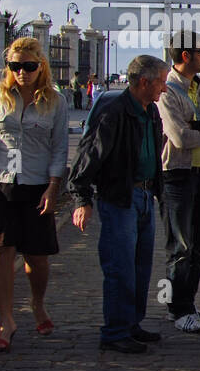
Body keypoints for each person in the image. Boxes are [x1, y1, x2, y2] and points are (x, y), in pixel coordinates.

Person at [0, 38, 69, 352]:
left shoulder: (56, 100)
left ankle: (37, 303)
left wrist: (53, 188)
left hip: (37, 185)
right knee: (1, 255)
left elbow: (59, 148)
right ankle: (6, 321)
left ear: (41, 66)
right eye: (15, 66)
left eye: (29, 66)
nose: (22, 72)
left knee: (36, 258)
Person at [69, 54, 169, 354]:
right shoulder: (114, 112)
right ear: (143, 82)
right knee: (120, 267)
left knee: (140, 266)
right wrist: (82, 199)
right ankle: (115, 331)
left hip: (143, 196)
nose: (163, 89)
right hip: (119, 199)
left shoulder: (149, 111)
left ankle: (131, 323)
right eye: (160, 83)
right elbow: (88, 157)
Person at [158, 31, 200, 333]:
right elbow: (179, 137)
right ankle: (178, 309)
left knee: (199, 245)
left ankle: (190, 304)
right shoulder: (167, 91)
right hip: (177, 176)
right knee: (180, 247)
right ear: (186, 56)